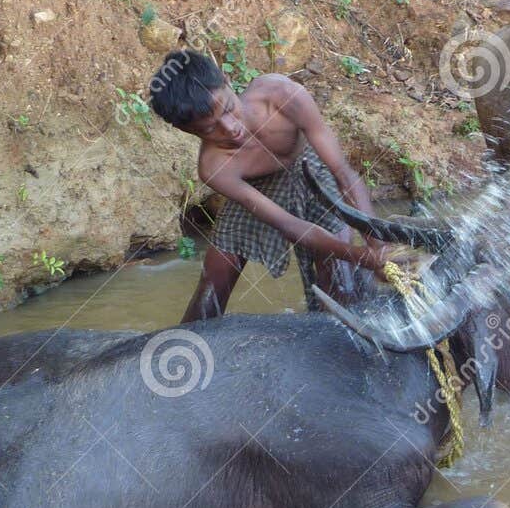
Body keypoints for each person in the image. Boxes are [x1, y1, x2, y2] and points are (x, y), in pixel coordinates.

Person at [148, 49, 393, 321]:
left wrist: (377, 249)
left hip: (311, 168)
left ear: (228, 82)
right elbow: (289, 226)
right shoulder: (216, 167)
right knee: (216, 276)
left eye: (228, 109)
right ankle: (185, 347)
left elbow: (342, 173)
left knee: (339, 274)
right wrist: (364, 257)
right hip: (258, 187)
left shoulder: (281, 95)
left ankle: (336, 340)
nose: (230, 128)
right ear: (189, 131)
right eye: (209, 129)